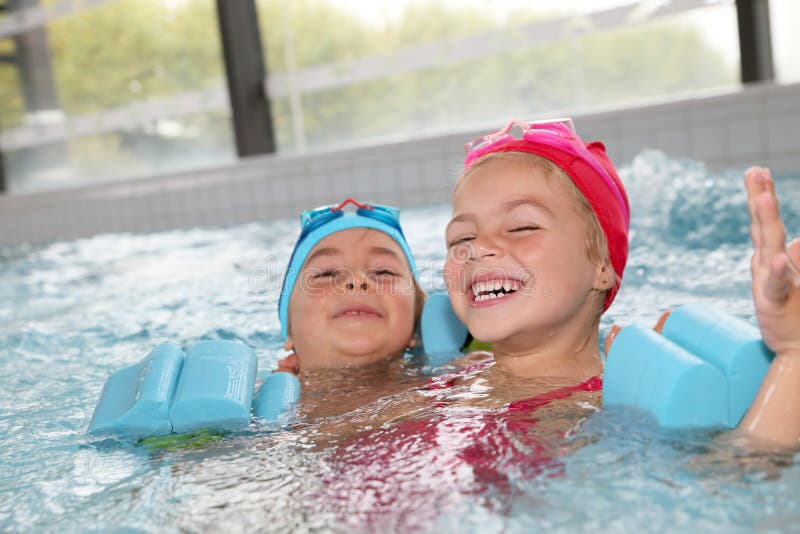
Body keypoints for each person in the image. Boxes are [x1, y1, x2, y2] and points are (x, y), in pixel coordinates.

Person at [443, 119, 800, 449]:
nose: (478, 247)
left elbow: (741, 465)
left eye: (522, 227)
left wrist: (792, 355)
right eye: (461, 238)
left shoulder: (612, 406)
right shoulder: (456, 373)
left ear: (601, 267)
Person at [273, 197, 427, 418]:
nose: (356, 281)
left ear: (416, 319)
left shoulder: (457, 385)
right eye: (326, 273)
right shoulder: (253, 403)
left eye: (383, 271)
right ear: (290, 331)